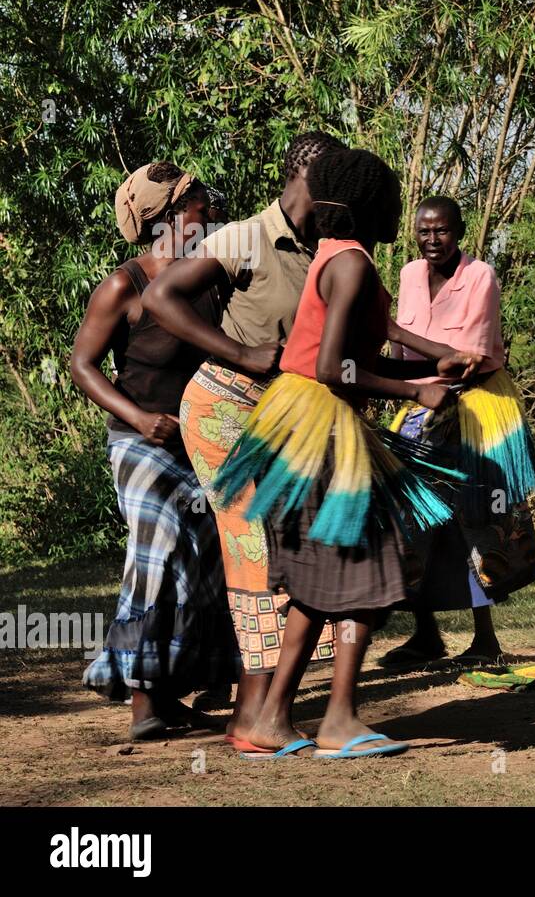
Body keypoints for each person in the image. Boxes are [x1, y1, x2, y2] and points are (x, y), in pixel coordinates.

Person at [211, 147, 476, 759]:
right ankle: (337, 720)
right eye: (389, 198)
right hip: (320, 427)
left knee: (320, 577)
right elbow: (334, 368)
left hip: (305, 421)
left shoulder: (334, 255)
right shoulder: (352, 263)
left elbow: (346, 354)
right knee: (370, 569)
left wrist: (425, 364)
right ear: (366, 206)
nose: (398, 209)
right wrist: (414, 390)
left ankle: (274, 718)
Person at [143, 131, 346, 747]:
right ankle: (250, 719)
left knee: (297, 549)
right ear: (304, 173)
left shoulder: (329, 249)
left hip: (288, 420)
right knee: (252, 547)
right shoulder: (245, 236)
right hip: (225, 408)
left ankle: (261, 712)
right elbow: (160, 294)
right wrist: (241, 352)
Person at [72, 162, 239, 740]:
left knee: (203, 565)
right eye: (199, 204)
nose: (210, 211)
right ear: (171, 215)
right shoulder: (126, 286)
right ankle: (142, 698)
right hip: (141, 443)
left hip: (203, 441)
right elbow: (82, 366)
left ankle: (168, 694)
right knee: (157, 548)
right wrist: (140, 418)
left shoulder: (212, 277)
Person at [381, 196, 535, 668]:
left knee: (479, 519)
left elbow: (468, 359)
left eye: (443, 231)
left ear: (460, 231)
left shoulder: (481, 277)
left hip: (475, 405)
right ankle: (425, 634)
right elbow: (405, 346)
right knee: (415, 519)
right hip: (422, 405)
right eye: (425, 232)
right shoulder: (410, 274)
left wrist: (415, 366)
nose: (433, 240)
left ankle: (485, 638)